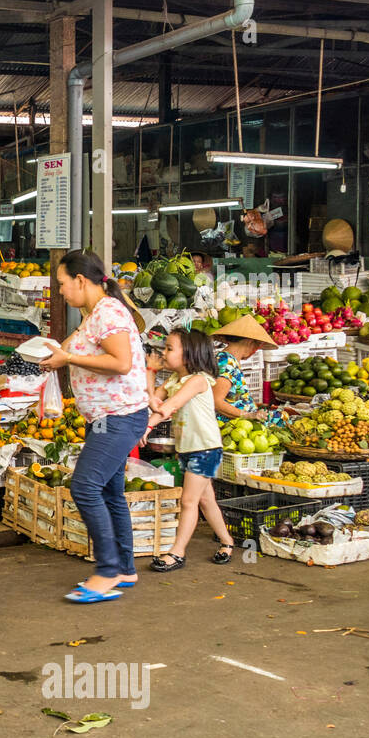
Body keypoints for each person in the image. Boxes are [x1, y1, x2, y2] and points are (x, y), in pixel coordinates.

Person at [40, 250, 151, 603]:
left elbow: (121, 363)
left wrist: (69, 357)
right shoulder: (93, 315)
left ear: (80, 280)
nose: (60, 291)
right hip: (104, 418)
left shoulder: (109, 313)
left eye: (62, 284)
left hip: (118, 417)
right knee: (109, 492)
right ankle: (125, 568)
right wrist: (55, 356)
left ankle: (106, 571)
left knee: (85, 487)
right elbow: (70, 349)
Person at [146, 330, 235, 570]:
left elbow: (170, 405)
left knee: (188, 501)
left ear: (189, 355)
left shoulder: (198, 380)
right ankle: (227, 542)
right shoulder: (174, 380)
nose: (164, 353)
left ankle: (177, 552)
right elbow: (153, 401)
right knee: (206, 500)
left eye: (169, 348)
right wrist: (150, 371)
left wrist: (148, 425)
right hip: (188, 449)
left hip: (205, 449)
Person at [210, 315, 279, 424]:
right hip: (233, 425)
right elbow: (216, 402)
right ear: (250, 342)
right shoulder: (226, 362)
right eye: (257, 347)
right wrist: (249, 415)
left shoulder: (230, 360)